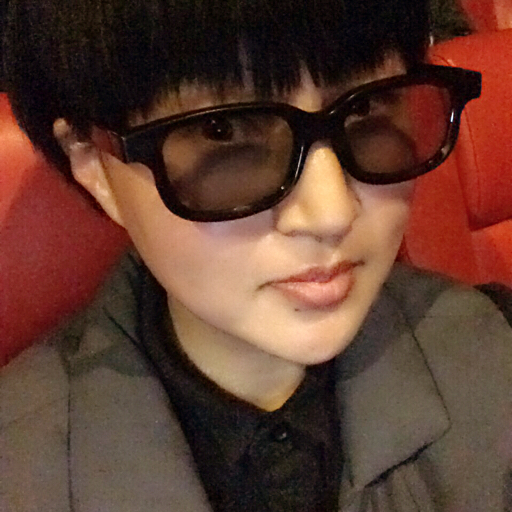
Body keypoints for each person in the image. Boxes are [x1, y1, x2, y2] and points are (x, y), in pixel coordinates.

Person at [1, 0, 511, 510]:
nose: (331, 212)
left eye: (366, 107)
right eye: (223, 132)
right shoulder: (21, 466)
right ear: (92, 161)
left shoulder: (492, 345)